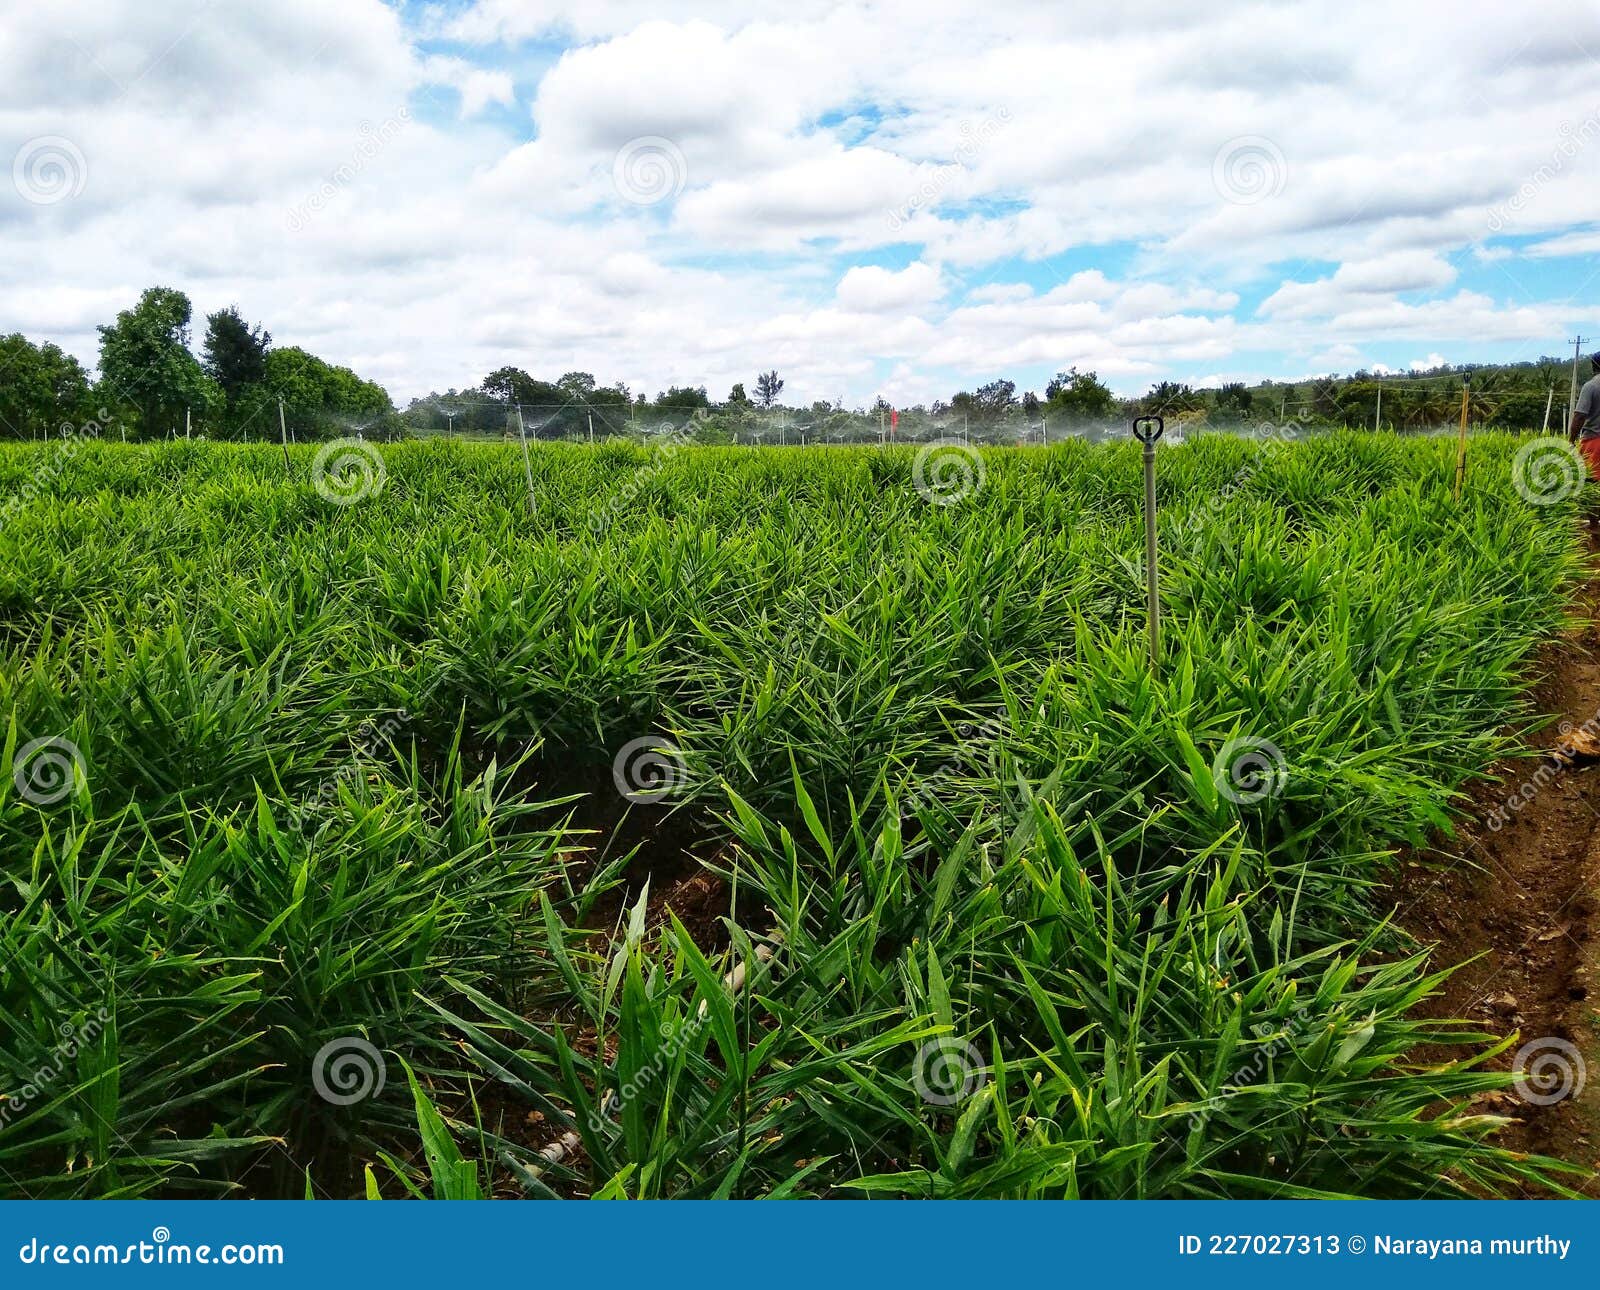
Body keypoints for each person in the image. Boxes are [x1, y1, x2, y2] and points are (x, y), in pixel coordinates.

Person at [1571, 351, 1600, 478]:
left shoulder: (1591, 386)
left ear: (1594, 365)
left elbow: (1579, 416)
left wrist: (1571, 440)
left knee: (1592, 480)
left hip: (1594, 442)